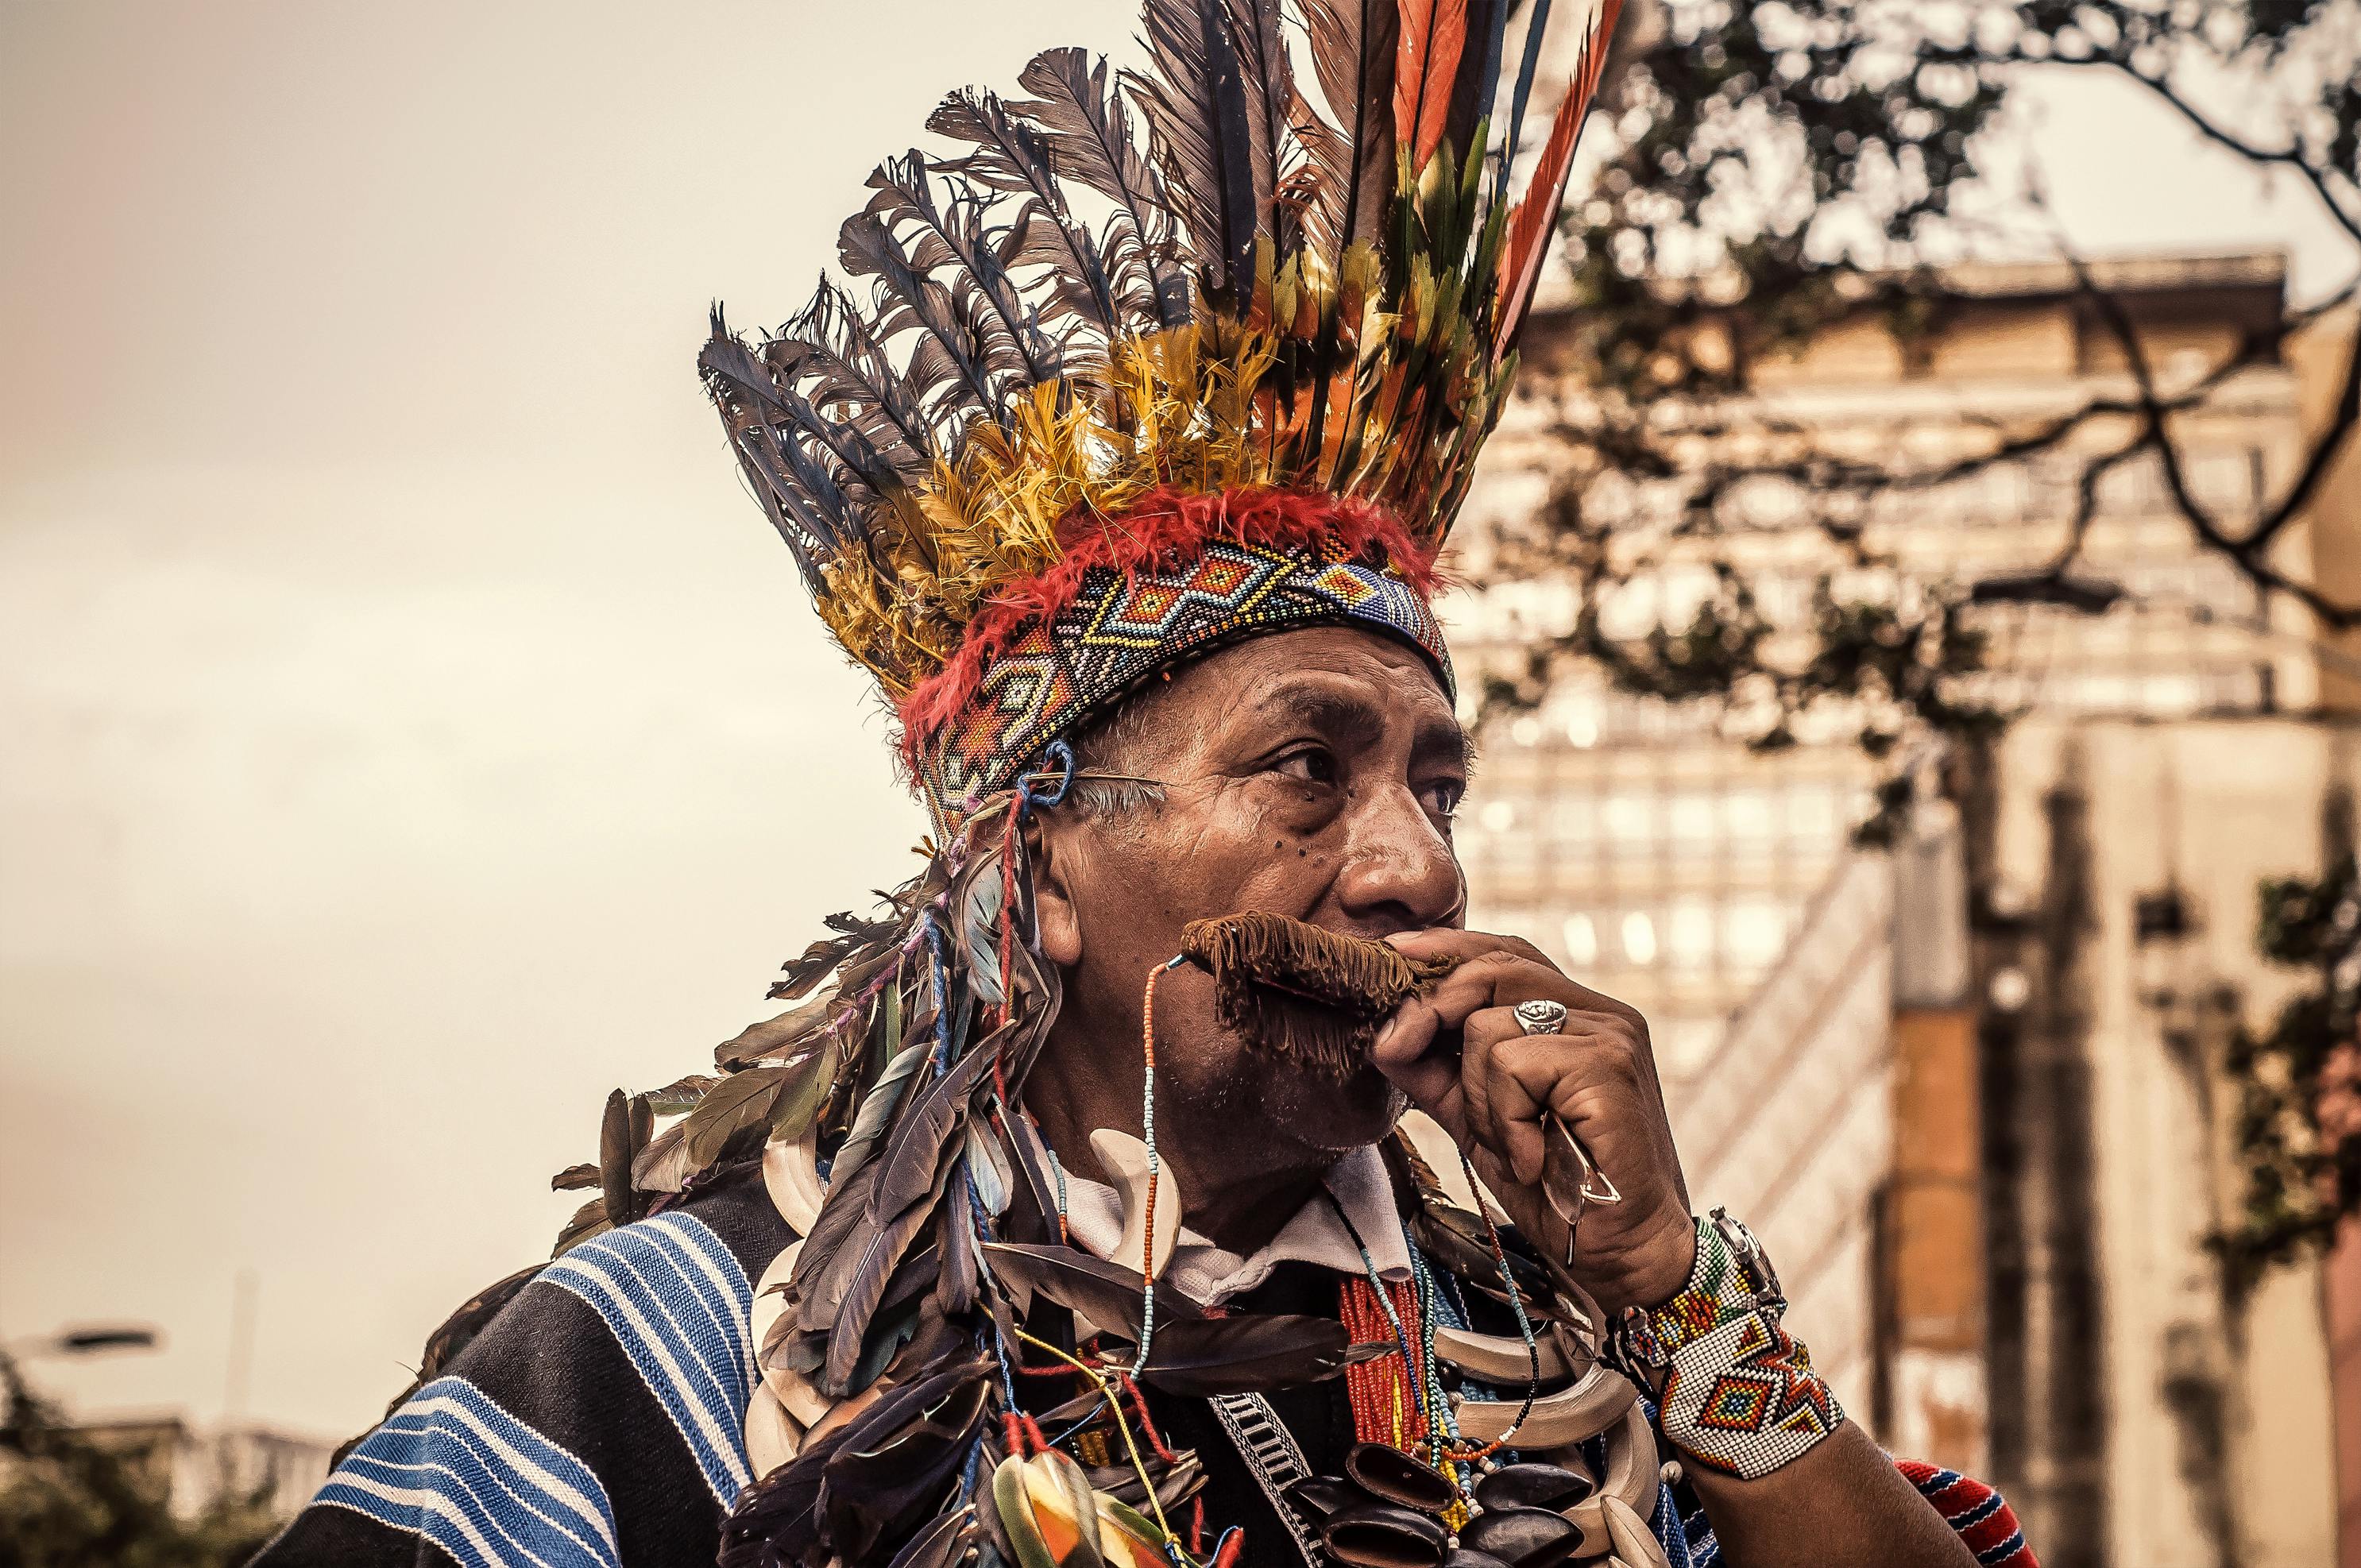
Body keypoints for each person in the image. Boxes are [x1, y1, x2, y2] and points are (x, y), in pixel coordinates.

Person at [255, 2, 2036, 1565]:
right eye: (1303, 771)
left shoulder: (1573, 1377)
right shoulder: (681, 1347)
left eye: (1439, 787)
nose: (1416, 871)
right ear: (1030, 868)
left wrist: (1665, 1287)